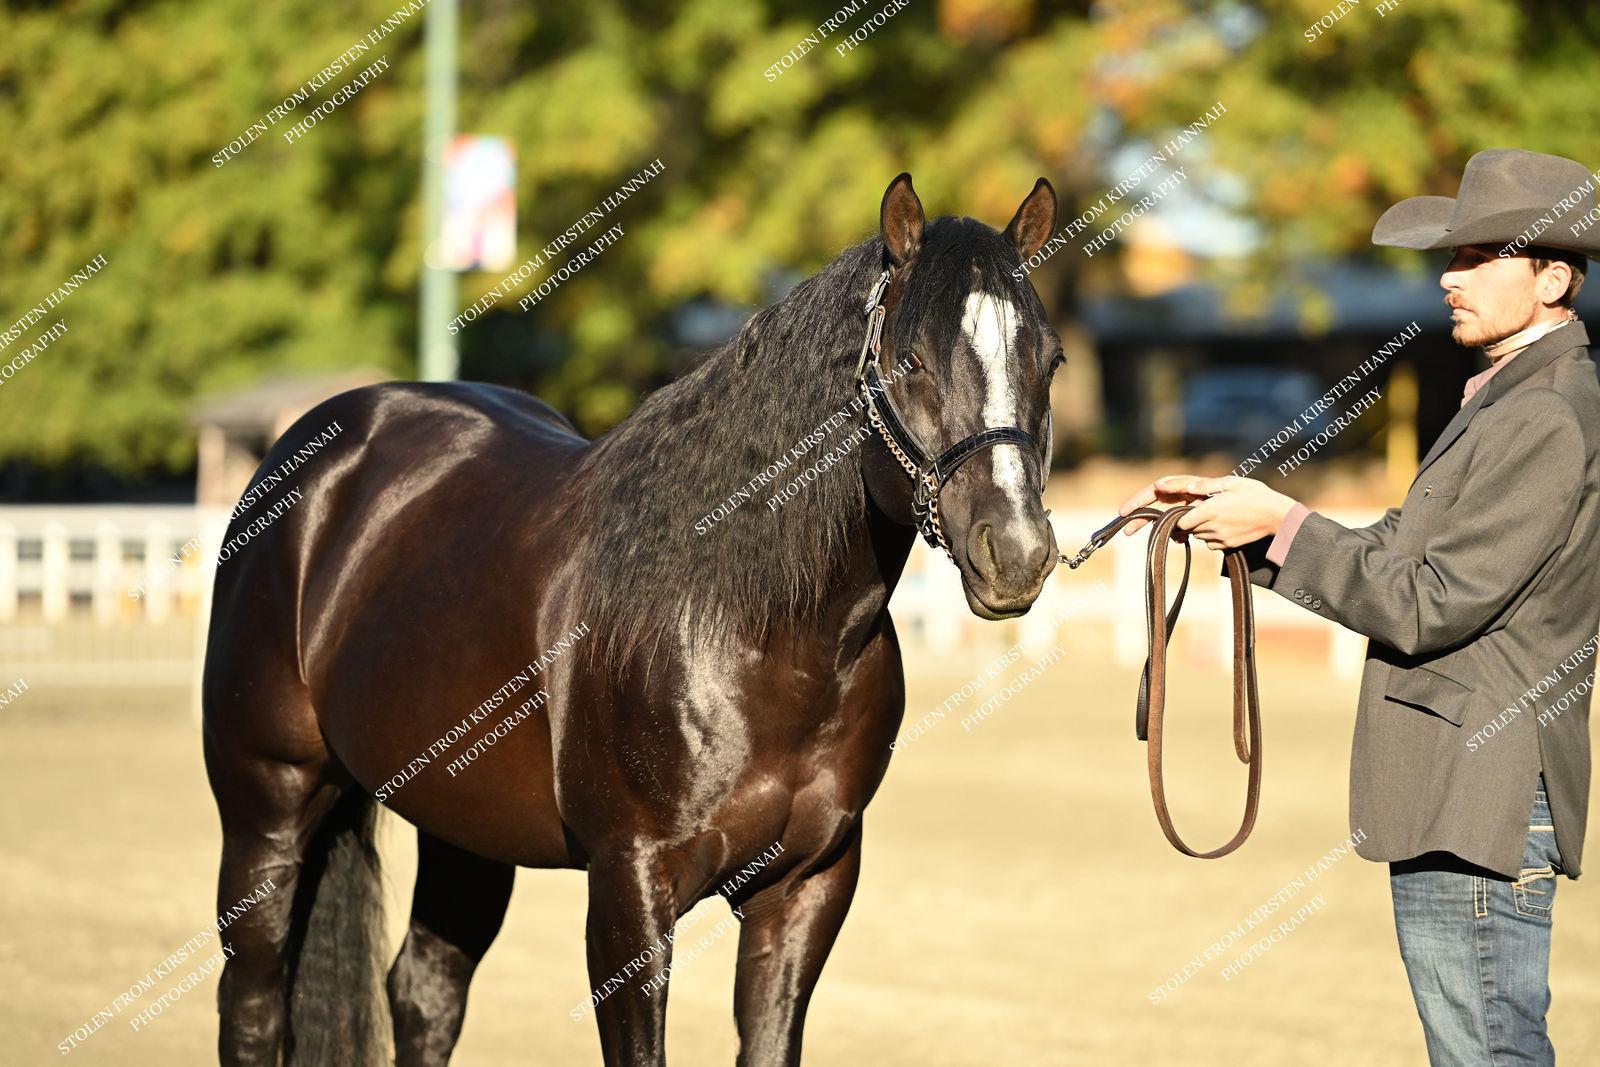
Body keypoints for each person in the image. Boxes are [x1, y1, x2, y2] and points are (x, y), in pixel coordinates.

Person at [1119, 148, 1600, 1066]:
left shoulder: (1545, 413)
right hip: (1460, 787)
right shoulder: (1516, 397)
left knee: (1489, 1053)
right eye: (1448, 258)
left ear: (1552, 277)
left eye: (1477, 257)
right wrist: (1249, 521)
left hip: (1480, 792)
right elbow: (1407, 551)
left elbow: (1429, 601)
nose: (1449, 277)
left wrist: (1286, 522)